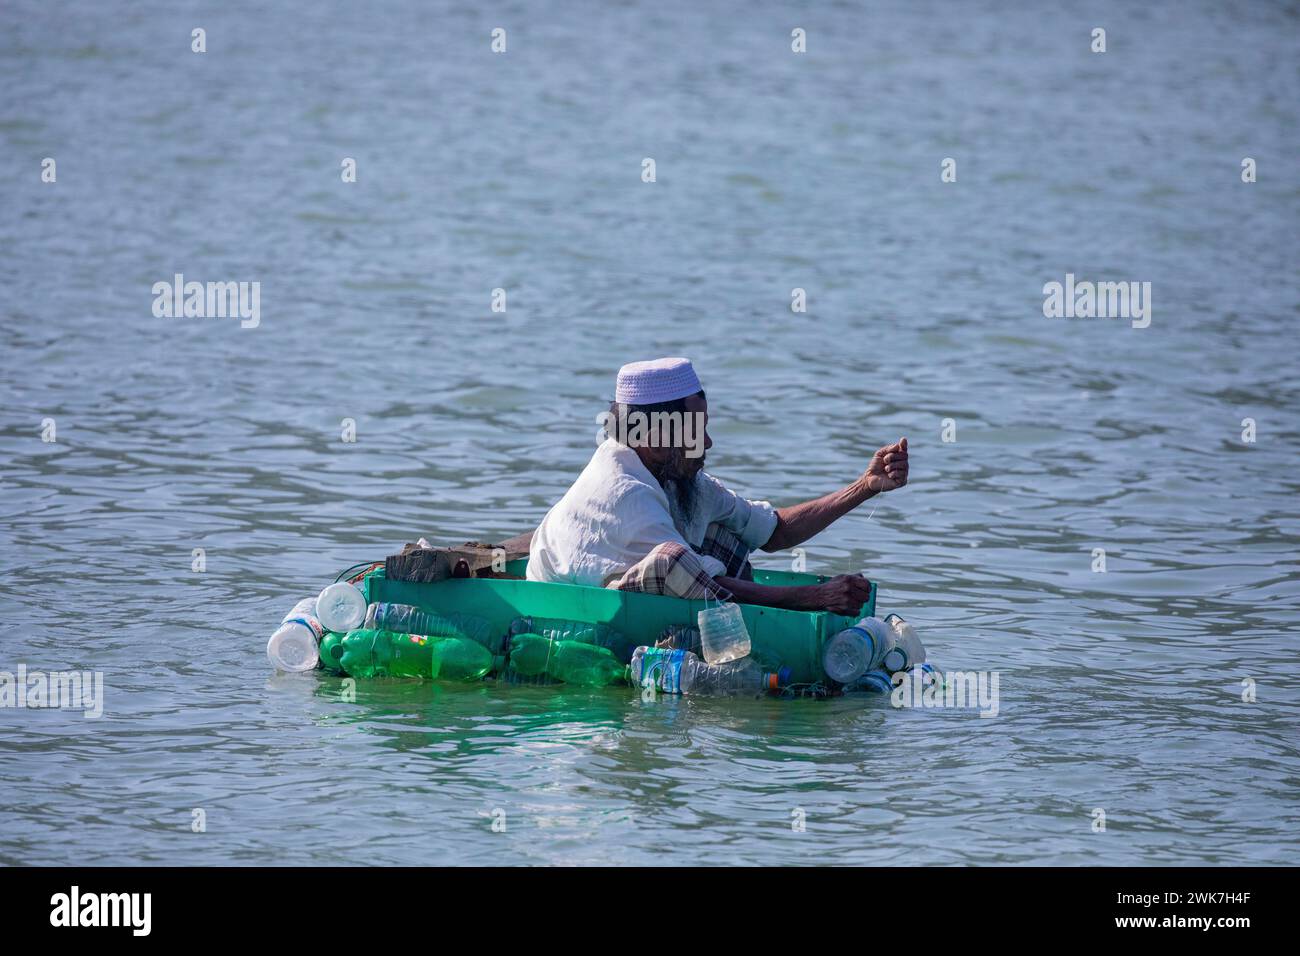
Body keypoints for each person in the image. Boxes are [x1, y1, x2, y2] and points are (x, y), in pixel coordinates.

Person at [525, 357, 908, 616]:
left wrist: (864, 486)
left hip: (634, 595)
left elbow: (773, 531)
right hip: (570, 610)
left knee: (724, 534)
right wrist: (811, 598)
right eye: (696, 431)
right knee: (674, 558)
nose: (707, 443)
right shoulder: (623, 491)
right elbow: (696, 579)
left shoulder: (676, 476)